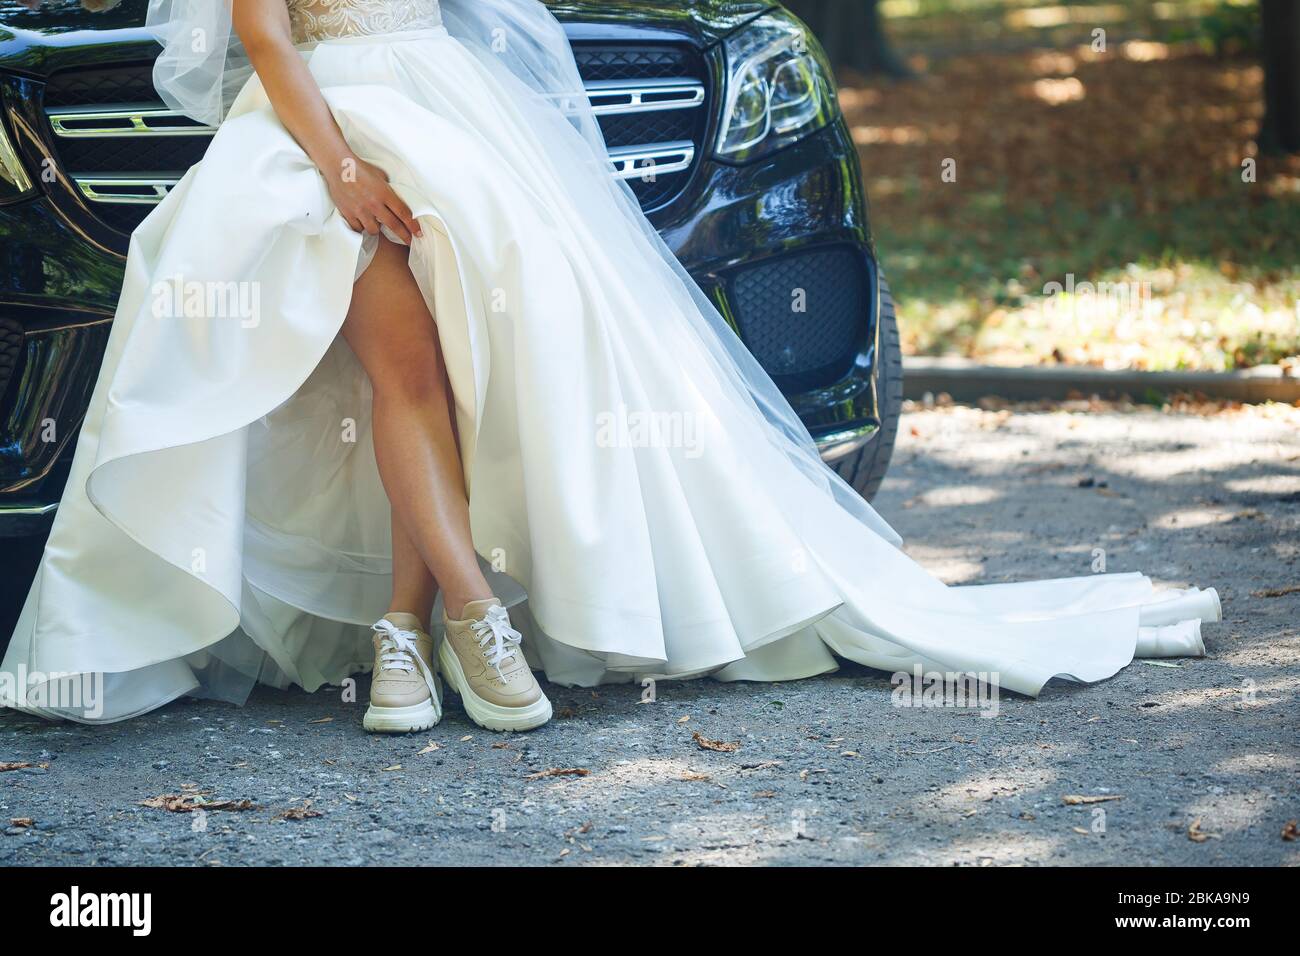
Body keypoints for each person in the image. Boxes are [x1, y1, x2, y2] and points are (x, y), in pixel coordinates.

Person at [0, 0, 1219, 733]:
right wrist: (342, 172)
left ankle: (399, 636)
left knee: (465, 389)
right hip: (324, 139)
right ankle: (473, 621)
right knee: (405, 375)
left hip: (457, 120)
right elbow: (262, 29)